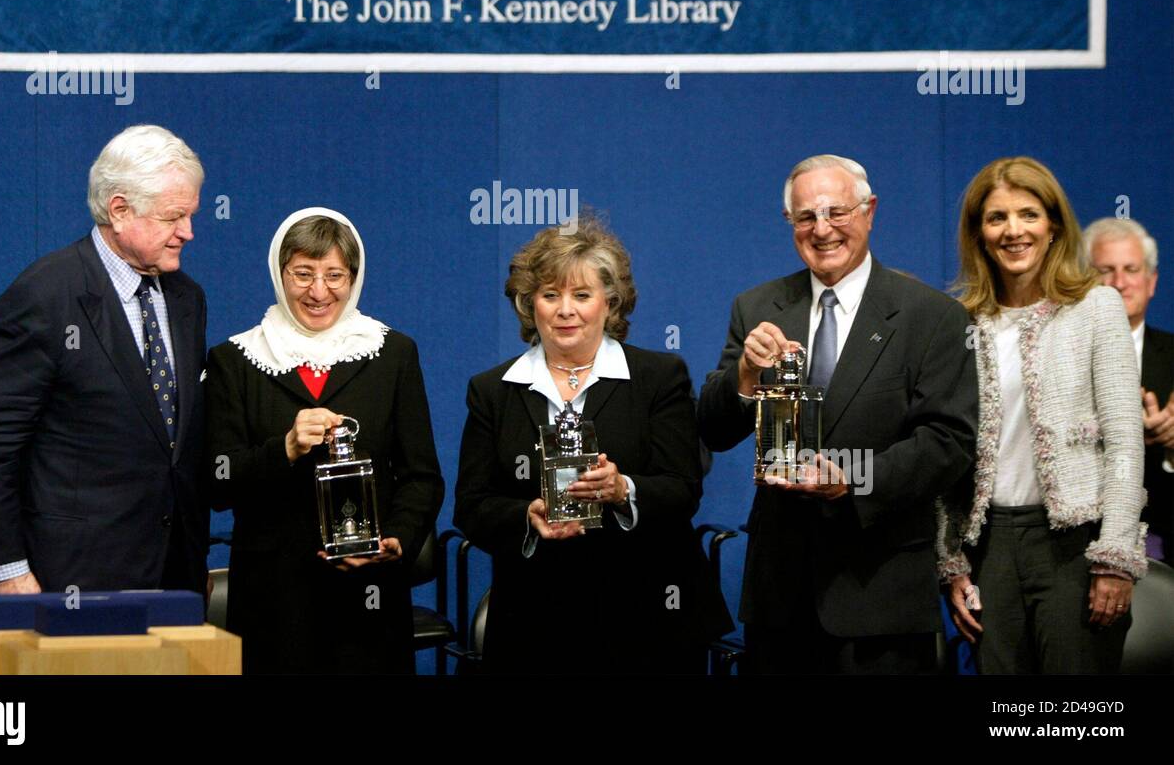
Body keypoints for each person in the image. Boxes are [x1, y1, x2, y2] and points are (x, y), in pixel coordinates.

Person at [698, 154, 977, 674]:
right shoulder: (757, 307)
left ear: (869, 212)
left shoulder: (933, 317)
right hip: (780, 598)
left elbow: (948, 443)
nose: (822, 229)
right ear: (790, 223)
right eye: (806, 216)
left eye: (837, 212)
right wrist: (745, 375)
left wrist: (852, 477)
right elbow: (713, 430)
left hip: (881, 597)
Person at [454, 217, 730, 673]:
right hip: (534, 617)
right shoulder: (492, 391)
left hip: (648, 612)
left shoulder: (659, 378)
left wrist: (623, 489)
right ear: (529, 304)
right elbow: (471, 507)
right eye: (550, 295)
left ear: (610, 303)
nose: (566, 310)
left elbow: (683, 489)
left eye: (581, 295)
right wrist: (526, 516)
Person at [0, 124, 209, 594]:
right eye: (174, 217)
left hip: (174, 578)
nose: (187, 233)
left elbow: (175, 445)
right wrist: (5, 569)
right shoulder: (45, 295)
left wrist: (192, 559)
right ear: (119, 210)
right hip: (67, 579)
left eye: (190, 216)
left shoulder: (186, 298)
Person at [205, 208, 443, 673]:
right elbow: (218, 482)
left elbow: (422, 477)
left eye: (334, 275)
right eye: (303, 273)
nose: (319, 292)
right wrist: (284, 449)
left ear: (353, 277)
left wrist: (395, 539)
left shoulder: (393, 354)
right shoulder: (234, 360)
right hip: (274, 600)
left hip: (369, 595)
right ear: (280, 274)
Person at [939, 158, 1147, 674]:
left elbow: (1125, 443)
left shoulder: (1097, 308)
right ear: (979, 233)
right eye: (997, 218)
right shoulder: (959, 322)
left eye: (1028, 214)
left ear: (1053, 225)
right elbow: (947, 449)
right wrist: (951, 562)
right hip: (989, 548)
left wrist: (1115, 557)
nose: (1014, 230)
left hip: (1075, 547)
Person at [1085, 217, 1174, 564]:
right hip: (1074, 542)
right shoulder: (1057, 357)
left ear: (1151, 282)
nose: (1119, 283)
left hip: (1162, 539)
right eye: (1105, 270)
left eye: (1131, 269)